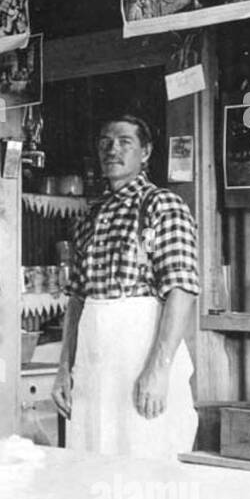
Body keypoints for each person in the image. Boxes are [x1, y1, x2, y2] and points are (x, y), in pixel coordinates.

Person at [50, 115, 199, 458]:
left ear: (145, 152)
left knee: (145, 458)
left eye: (124, 142)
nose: (112, 149)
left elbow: (182, 289)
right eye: (105, 141)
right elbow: (77, 299)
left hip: (140, 358)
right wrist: (63, 369)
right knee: (92, 455)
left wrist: (158, 370)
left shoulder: (163, 205)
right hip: (93, 360)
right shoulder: (90, 216)